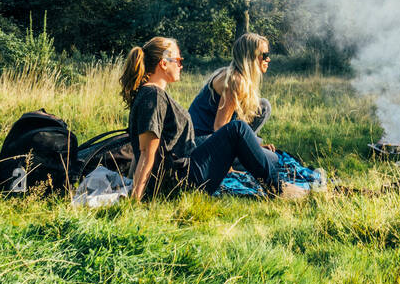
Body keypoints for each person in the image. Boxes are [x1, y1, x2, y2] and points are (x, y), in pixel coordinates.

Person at [121, 36, 307, 201]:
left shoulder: (151, 94)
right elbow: (146, 152)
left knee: (254, 127)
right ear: (163, 63)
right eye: (178, 60)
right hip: (182, 180)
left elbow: (142, 150)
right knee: (238, 129)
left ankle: (274, 183)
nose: (181, 65)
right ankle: (278, 188)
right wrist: (136, 199)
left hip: (183, 171)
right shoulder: (153, 96)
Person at [188, 33, 273, 138]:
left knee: (263, 107)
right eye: (265, 55)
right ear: (251, 57)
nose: (268, 59)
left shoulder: (236, 76)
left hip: (210, 137)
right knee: (270, 155)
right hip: (198, 140)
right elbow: (219, 127)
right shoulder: (235, 81)